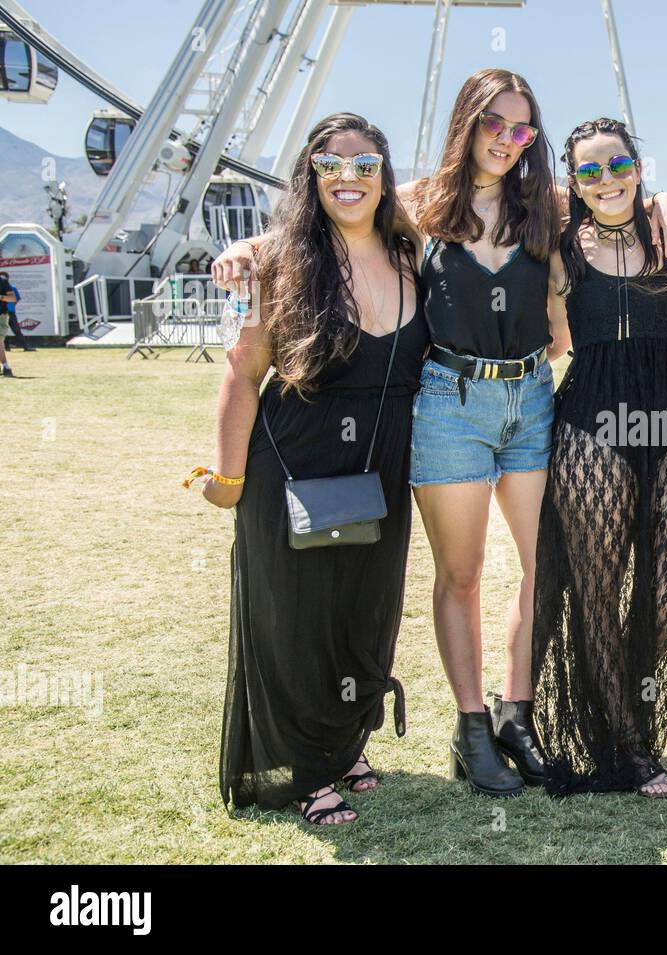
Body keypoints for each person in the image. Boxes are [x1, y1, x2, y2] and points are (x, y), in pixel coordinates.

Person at [211, 69, 667, 798]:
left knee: (547, 568)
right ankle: (471, 727)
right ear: (468, 120)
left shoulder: (544, 204)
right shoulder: (418, 203)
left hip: (531, 399)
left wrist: (666, 197)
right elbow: (332, 216)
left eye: (522, 128)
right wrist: (252, 246)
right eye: (494, 122)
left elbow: (616, 194)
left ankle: (517, 712)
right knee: (460, 576)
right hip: (449, 400)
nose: (507, 138)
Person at [201, 113, 425, 826]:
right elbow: (242, 371)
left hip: (380, 467)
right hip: (292, 461)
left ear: (386, 175)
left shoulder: (412, 252)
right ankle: (307, 770)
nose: (349, 178)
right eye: (332, 165)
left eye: (365, 165)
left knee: (364, 612)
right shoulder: (277, 262)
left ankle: (345, 743)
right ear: (310, 176)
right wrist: (227, 477)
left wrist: (666, 203)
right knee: (296, 618)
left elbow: (493, 186)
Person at [531, 118, 667, 799]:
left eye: (620, 164)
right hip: (590, 420)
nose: (608, 179)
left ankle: (630, 707)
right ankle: (628, 745)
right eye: (590, 170)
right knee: (596, 590)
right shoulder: (559, 249)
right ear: (571, 181)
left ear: (640, 165)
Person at [0, 272, 34, 353]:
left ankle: (25, 347)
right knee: (3, 331)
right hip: (2, 312)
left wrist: (11, 306)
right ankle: (6, 348)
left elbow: (16, 299)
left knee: (16, 330)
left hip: (10, 312)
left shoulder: (12, 288)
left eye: (4, 277)